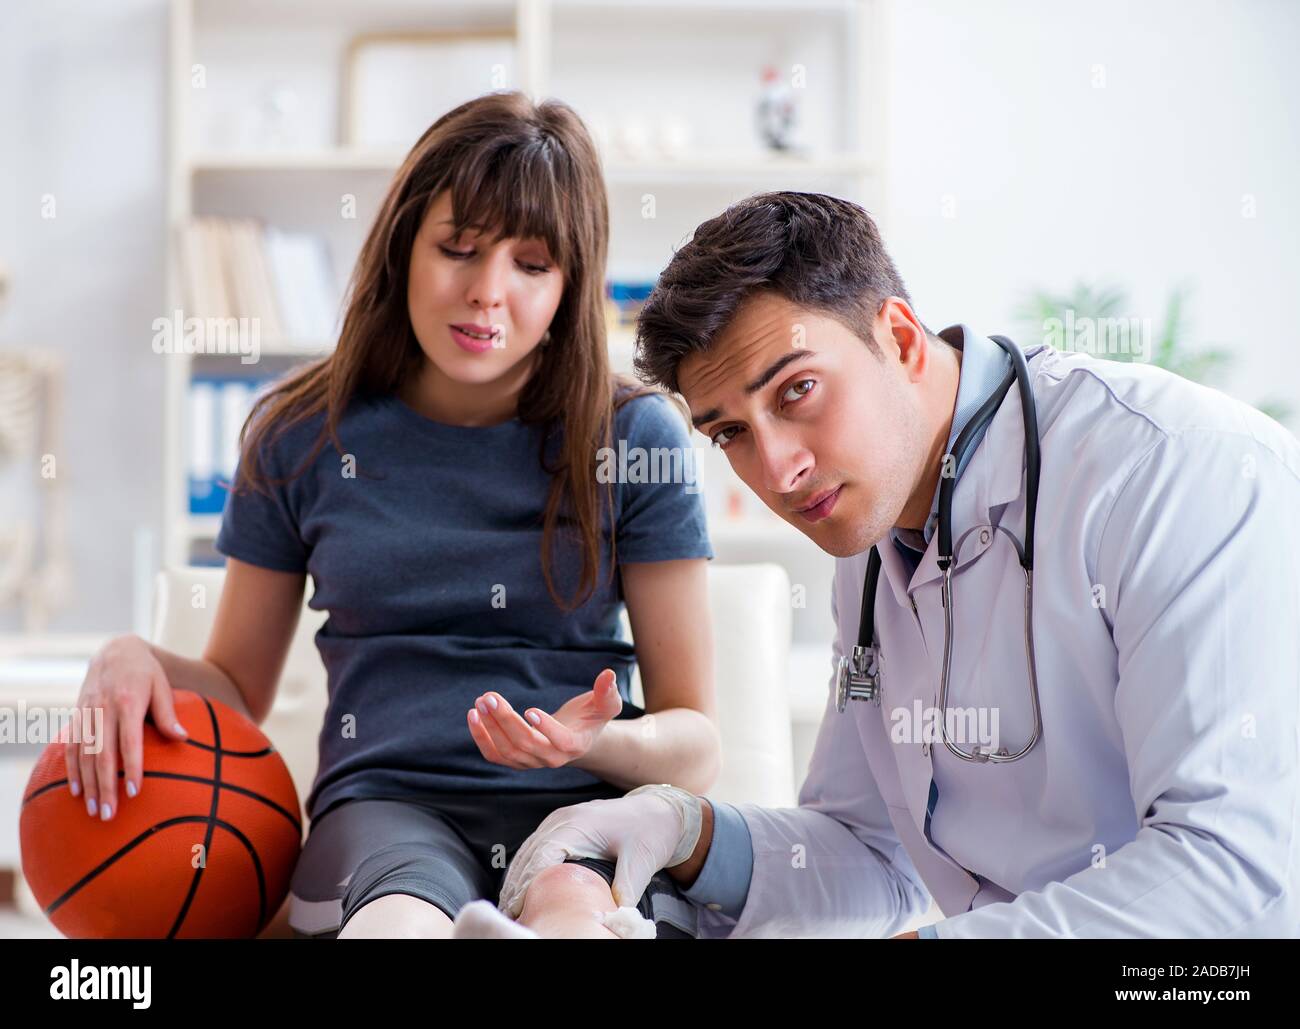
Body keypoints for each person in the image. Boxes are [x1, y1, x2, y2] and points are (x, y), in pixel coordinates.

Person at [499, 190, 1300, 938]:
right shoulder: (876, 539)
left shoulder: (1180, 473)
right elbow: (872, 853)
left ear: (902, 339)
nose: (778, 469)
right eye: (731, 433)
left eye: (797, 391)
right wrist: (686, 829)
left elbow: (1231, 873)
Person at [63, 92, 719, 939]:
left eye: (531, 265)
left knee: (572, 901)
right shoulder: (300, 433)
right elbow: (236, 690)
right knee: (397, 918)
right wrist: (127, 654)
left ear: (570, 285)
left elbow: (697, 745)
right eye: (458, 249)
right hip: (384, 805)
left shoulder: (637, 436)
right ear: (404, 244)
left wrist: (586, 744)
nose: (488, 294)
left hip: (585, 808)